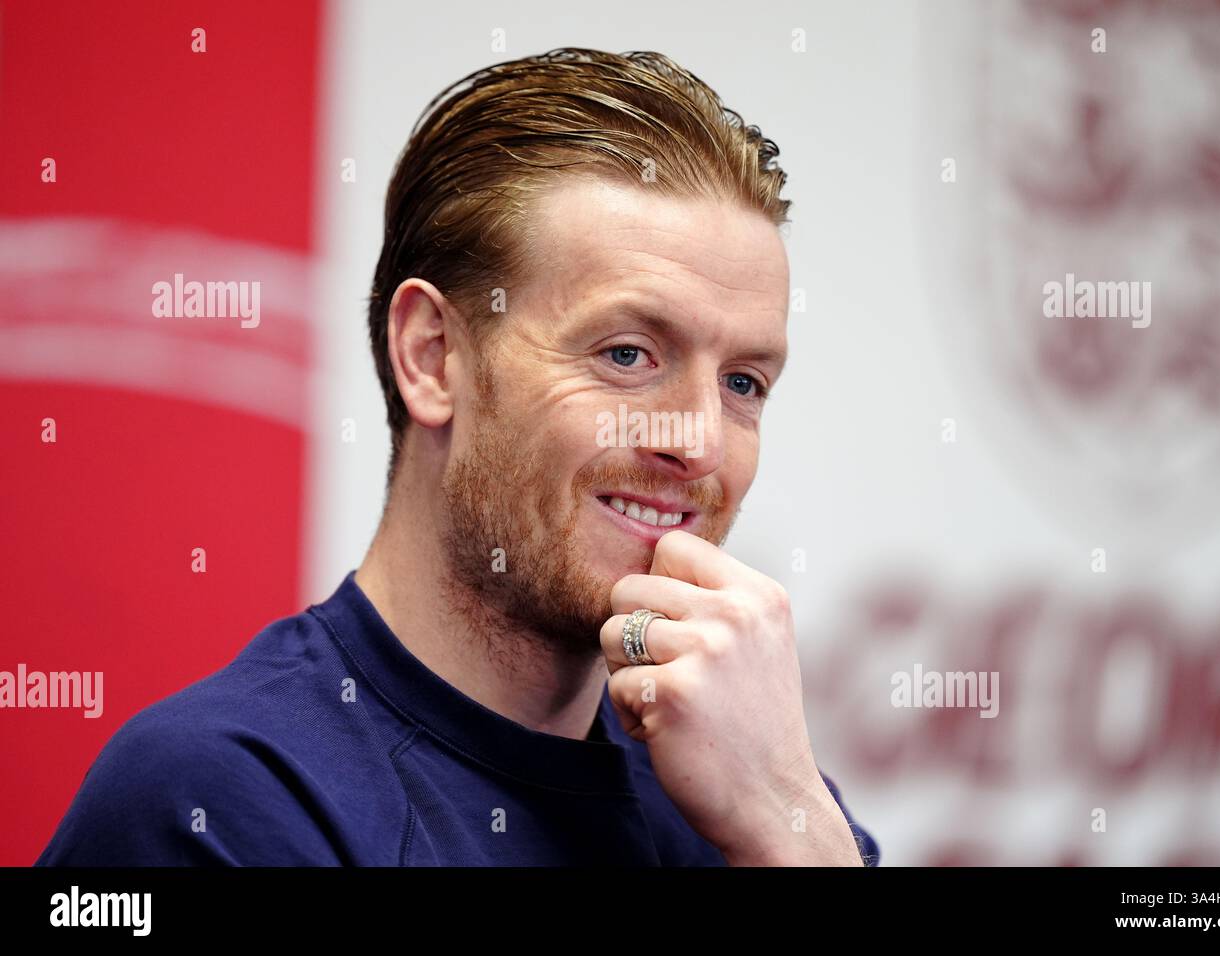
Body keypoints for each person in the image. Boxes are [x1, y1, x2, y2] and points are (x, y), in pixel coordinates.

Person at [36, 47, 880, 866]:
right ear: (433, 357)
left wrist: (788, 821)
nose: (697, 442)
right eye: (627, 355)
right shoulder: (218, 800)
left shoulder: (755, 804)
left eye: (742, 382)